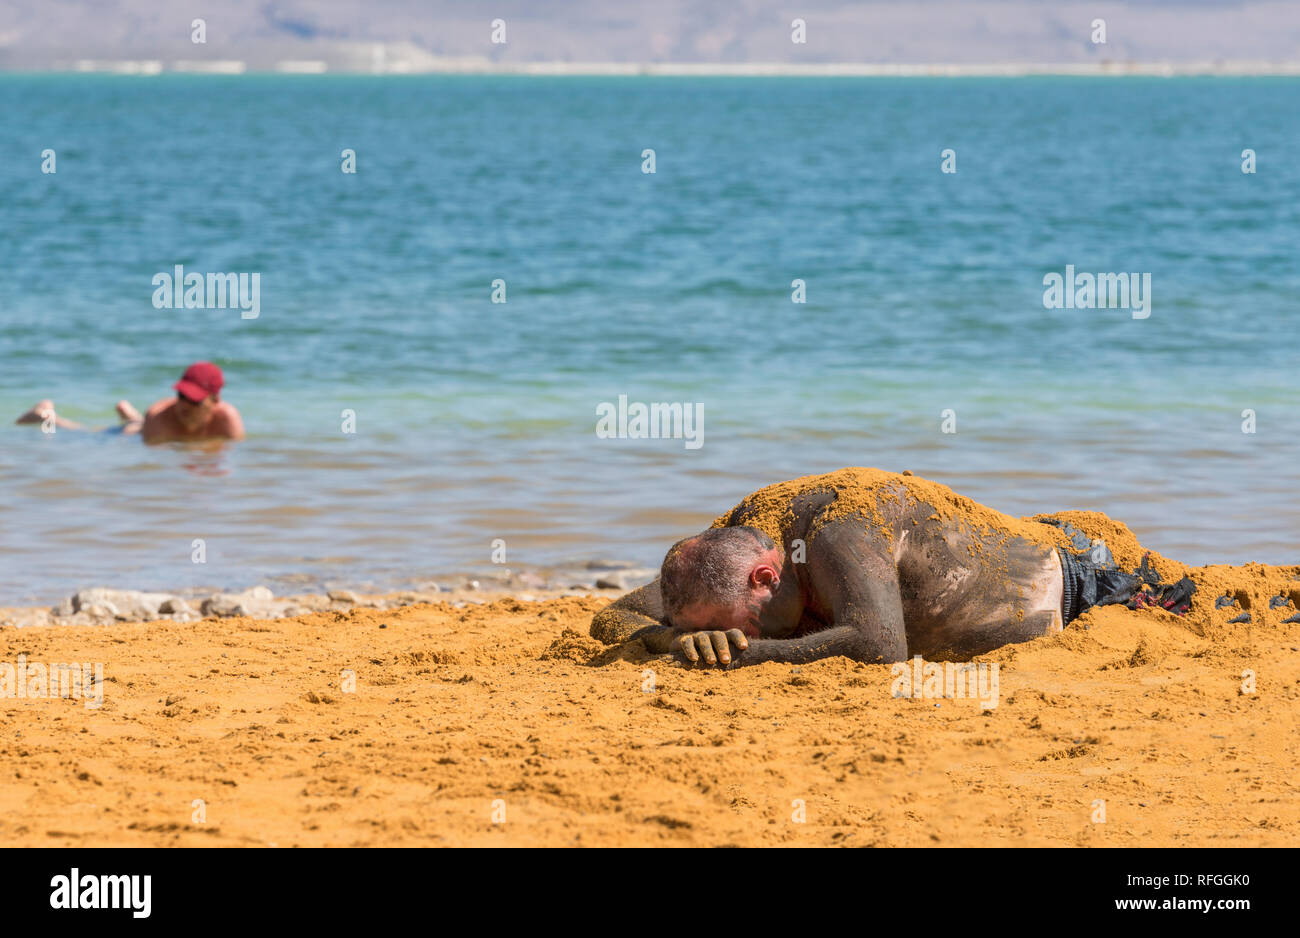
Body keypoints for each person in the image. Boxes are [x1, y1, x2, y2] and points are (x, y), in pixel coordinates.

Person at [589, 468, 1192, 668]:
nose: (743, 632)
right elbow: (613, 618)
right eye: (728, 630)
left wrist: (744, 654)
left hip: (1084, 580)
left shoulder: (834, 536)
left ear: (766, 578)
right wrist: (679, 638)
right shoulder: (734, 542)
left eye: (744, 622)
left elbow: (881, 646)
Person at [15, 361, 245, 444]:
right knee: (89, 435)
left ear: (215, 400)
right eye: (181, 396)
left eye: (193, 400)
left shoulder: (228, 418)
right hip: (136, 434)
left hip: (149, 426)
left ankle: (130, 414)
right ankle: (45, 416)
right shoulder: (159, 416)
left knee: (140, 423)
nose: (184, 405)